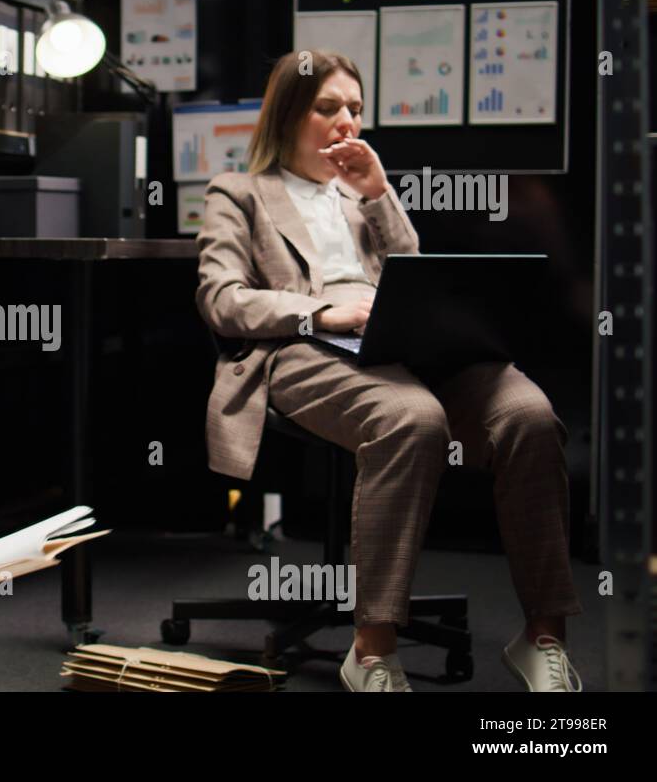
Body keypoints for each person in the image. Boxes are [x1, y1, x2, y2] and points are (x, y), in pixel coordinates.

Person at [195, 50, 582, 692]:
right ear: (289, 113)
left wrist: (378, 193)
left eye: (355, 109)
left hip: (406, 341)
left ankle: (544, 636)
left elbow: (415, 268)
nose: (346, 121)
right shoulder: (238, 192)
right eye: (328, 107)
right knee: (412, 418)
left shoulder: (361, 190)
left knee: (529, 417)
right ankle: (372, 649)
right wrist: (323, 312)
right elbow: (221, 298)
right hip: (304, 349)